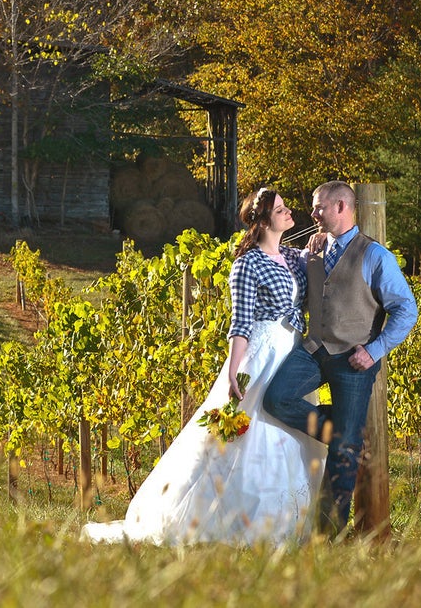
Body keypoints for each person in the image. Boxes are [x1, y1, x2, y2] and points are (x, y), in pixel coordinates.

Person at [81, 188, 327, 546]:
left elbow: (315, 274)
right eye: (281, 209)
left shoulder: (292, 257)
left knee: (288, 431)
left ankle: (290, 520)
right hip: (260, 355)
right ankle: (233, 522)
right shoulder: (247, 264)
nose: (290, 212)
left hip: (292, 355)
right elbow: (241, 323)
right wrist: (233, 370)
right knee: (245, 433)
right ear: (263, 221)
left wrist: (319, 247)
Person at [263, 180, 418, 536]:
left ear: (341, 208)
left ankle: (326, 533)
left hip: (354, 357)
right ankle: (345, 433)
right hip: (314, 349)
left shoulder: (375, 255)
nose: (313, 213)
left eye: (319, 207)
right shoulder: (315, 245)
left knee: (344, 449)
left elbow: (406, 309)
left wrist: (375, 350)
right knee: (277, 399)